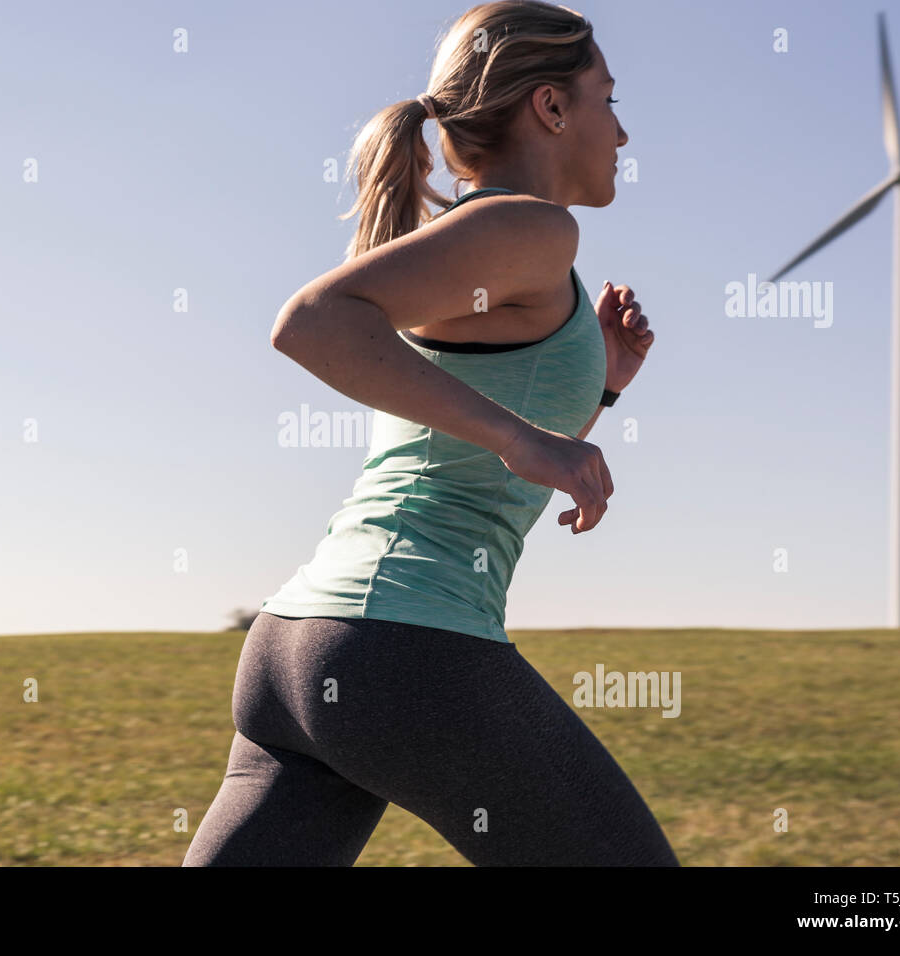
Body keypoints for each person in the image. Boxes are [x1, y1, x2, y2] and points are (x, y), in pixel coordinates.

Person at [182, 0, 675, 866]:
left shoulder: (487, 242)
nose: (624, 136)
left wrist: (599, 384)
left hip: (300, 645)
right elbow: (311, 321)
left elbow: (465, 446)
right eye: (610, 99)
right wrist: (527, 439)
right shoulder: (530, 226)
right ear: (551, 109)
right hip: (405, 644)